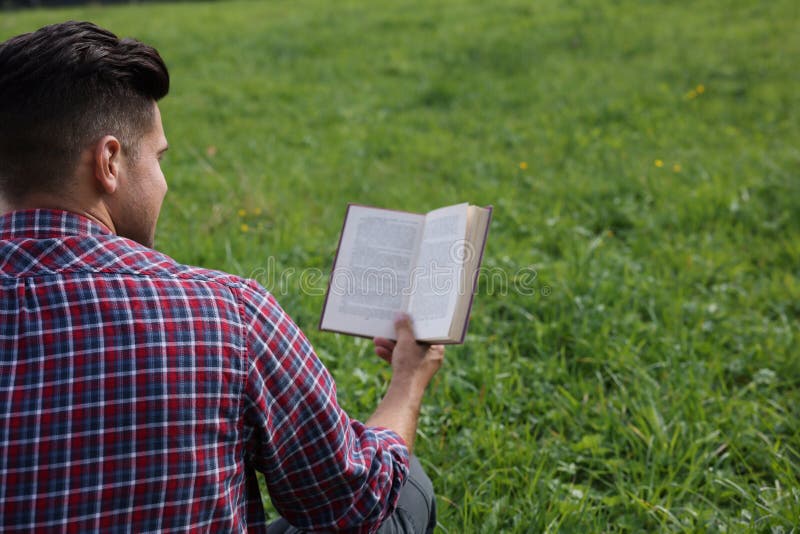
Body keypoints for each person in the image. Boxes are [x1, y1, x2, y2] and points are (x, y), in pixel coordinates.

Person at [0, 21, 443, 533]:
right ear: (110, 162)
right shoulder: (228, 313)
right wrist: (407, 381)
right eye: (159, 157)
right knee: (405, 490)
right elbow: (354, 502)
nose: (164, 181)